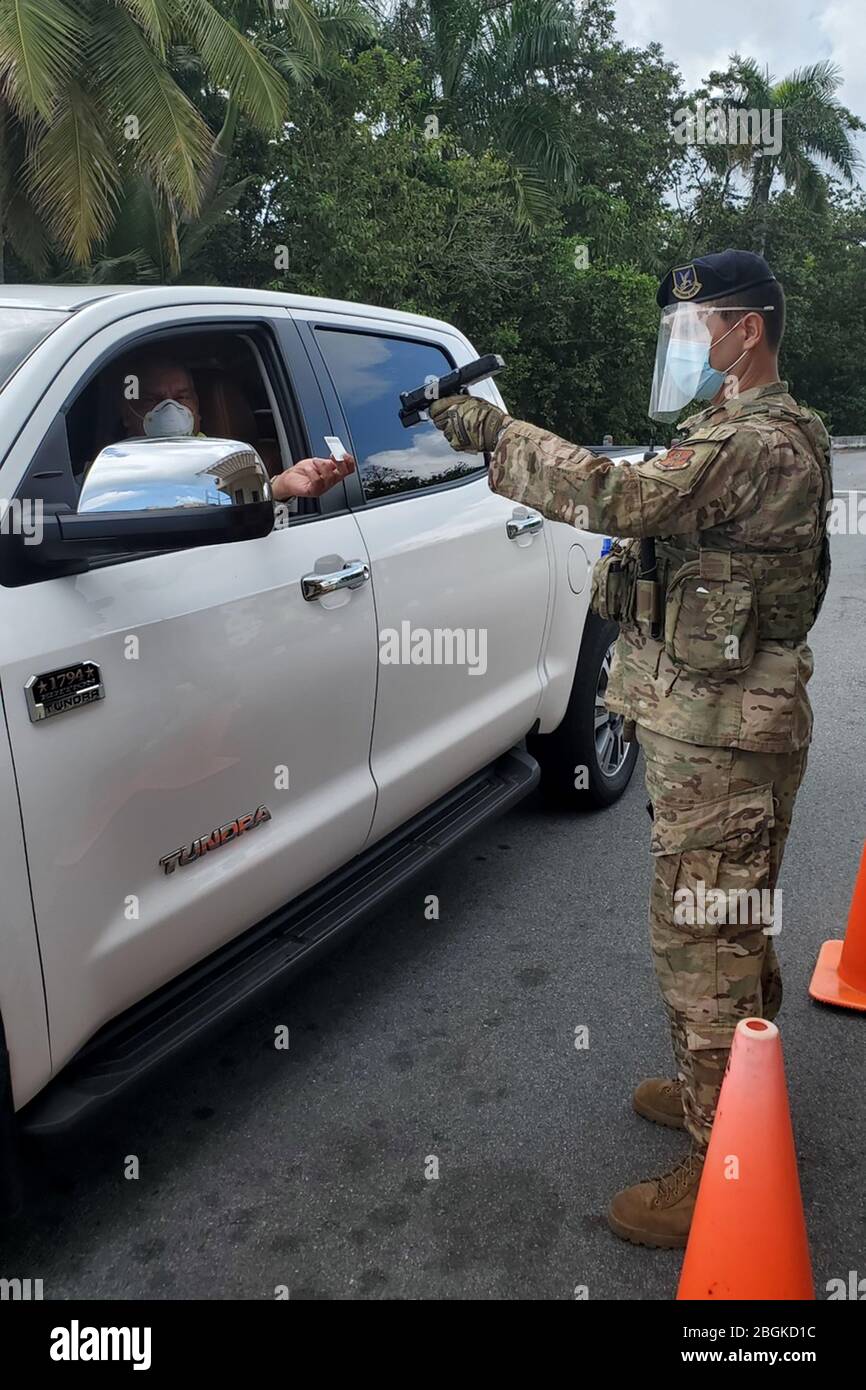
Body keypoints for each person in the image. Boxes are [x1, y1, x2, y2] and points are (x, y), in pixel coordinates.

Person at [428, 250, 832, 1248]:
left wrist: (491, 431)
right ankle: (737, 1092)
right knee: (728, 926)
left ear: (742, 331)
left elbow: (620, 498)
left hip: (725, 733)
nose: (683, 350)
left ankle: (721, 1165)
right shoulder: (747, 429)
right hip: (718, 721)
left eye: (694, 332)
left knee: (703, 944)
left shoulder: (751, 438)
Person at [119, 358, 354, 502]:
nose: (170, 409)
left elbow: (234, 500)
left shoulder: (226, 464)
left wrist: (278, 486)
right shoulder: (102, 477)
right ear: (127, 416)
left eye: (182, 397)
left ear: (198, 410)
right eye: (152, 400)